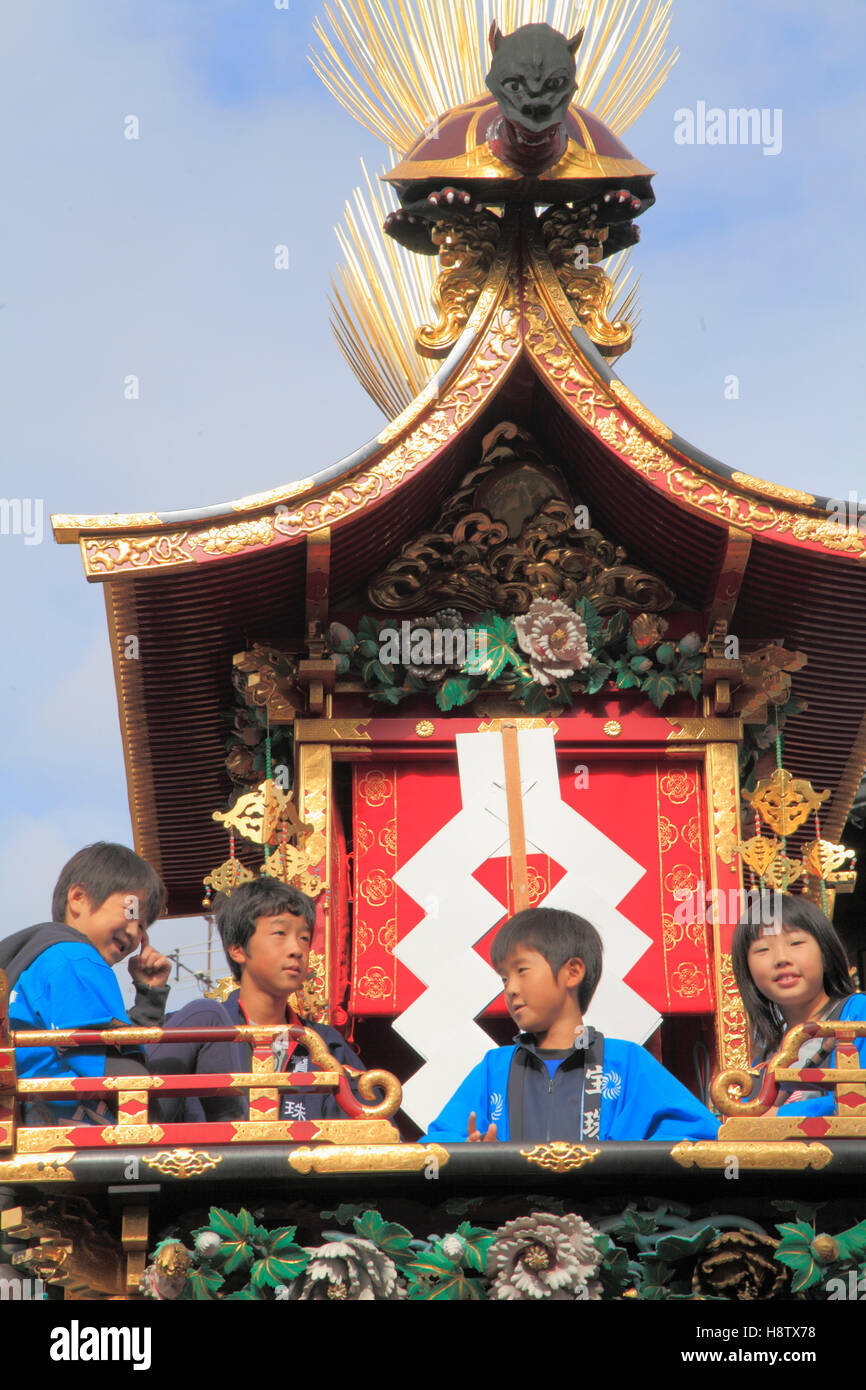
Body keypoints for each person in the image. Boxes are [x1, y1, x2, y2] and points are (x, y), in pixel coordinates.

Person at [424, 907, 718, 1142]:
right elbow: (437, 1146)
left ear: (573, 972)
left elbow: (699, 1137)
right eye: (504, 978)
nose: (511, 988)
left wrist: (622, 1162)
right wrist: (470, 1156)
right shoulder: (494, 1068)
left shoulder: (627, 1062)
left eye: (522, 971)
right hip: (515, 1217)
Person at [147, 879, 367, 1123]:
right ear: (237, 949)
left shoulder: (326, 1046)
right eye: (280, 934)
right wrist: (148, 997)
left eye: (304, 938)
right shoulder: (195, 1033)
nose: (296, 949)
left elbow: (373, 1130)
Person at [0, 842, 170, 1123]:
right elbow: (114, 1067)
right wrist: (161, 1136)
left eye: (142, 926)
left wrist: (149, 997)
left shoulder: (37, 960)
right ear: (78, 897)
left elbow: (104, 1046)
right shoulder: (77, 958)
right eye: (130, 912)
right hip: (77, 1142)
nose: (134, 932)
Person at [731, 891, 866, 1116]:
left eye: (796, 942)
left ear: (827, 956)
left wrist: (782, 1117)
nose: (781, 958)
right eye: (763, 949)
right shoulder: (764, 1059)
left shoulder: (857, 1014)